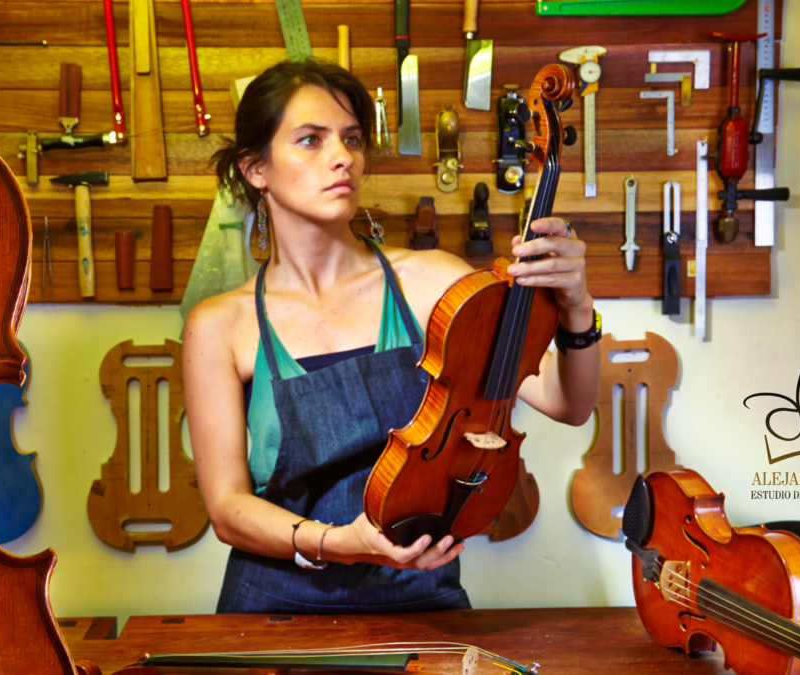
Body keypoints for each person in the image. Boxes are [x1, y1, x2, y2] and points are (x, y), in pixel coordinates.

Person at [183, 60, 601, 614]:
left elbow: (568, 403)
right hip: (274, 603)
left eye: (352, 139)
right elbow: (227, 507)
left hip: (420, 594)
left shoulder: (433, 284)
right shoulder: (220, 324)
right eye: (311, 140)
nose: (342, 158)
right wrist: (337, 543)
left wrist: (576, 306)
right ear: (256, 168)